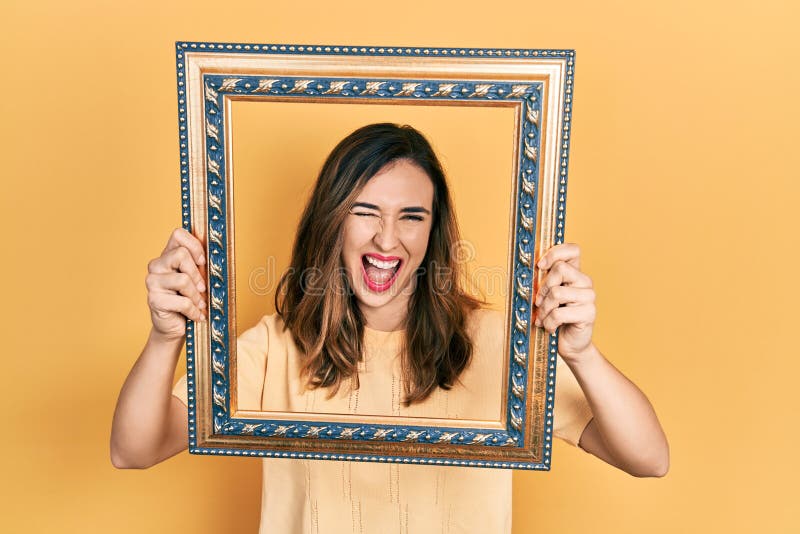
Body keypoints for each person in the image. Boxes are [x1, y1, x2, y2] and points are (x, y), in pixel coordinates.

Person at [110, 123, 669, 533]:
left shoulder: (500, 345)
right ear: (332, 221)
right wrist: (165, 337)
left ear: (434, 232)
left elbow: (648, 458)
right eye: (365, 211)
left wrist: (582, 353)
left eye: (411, 216)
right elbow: (134, 449)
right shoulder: (276, 347)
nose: (386, 239)